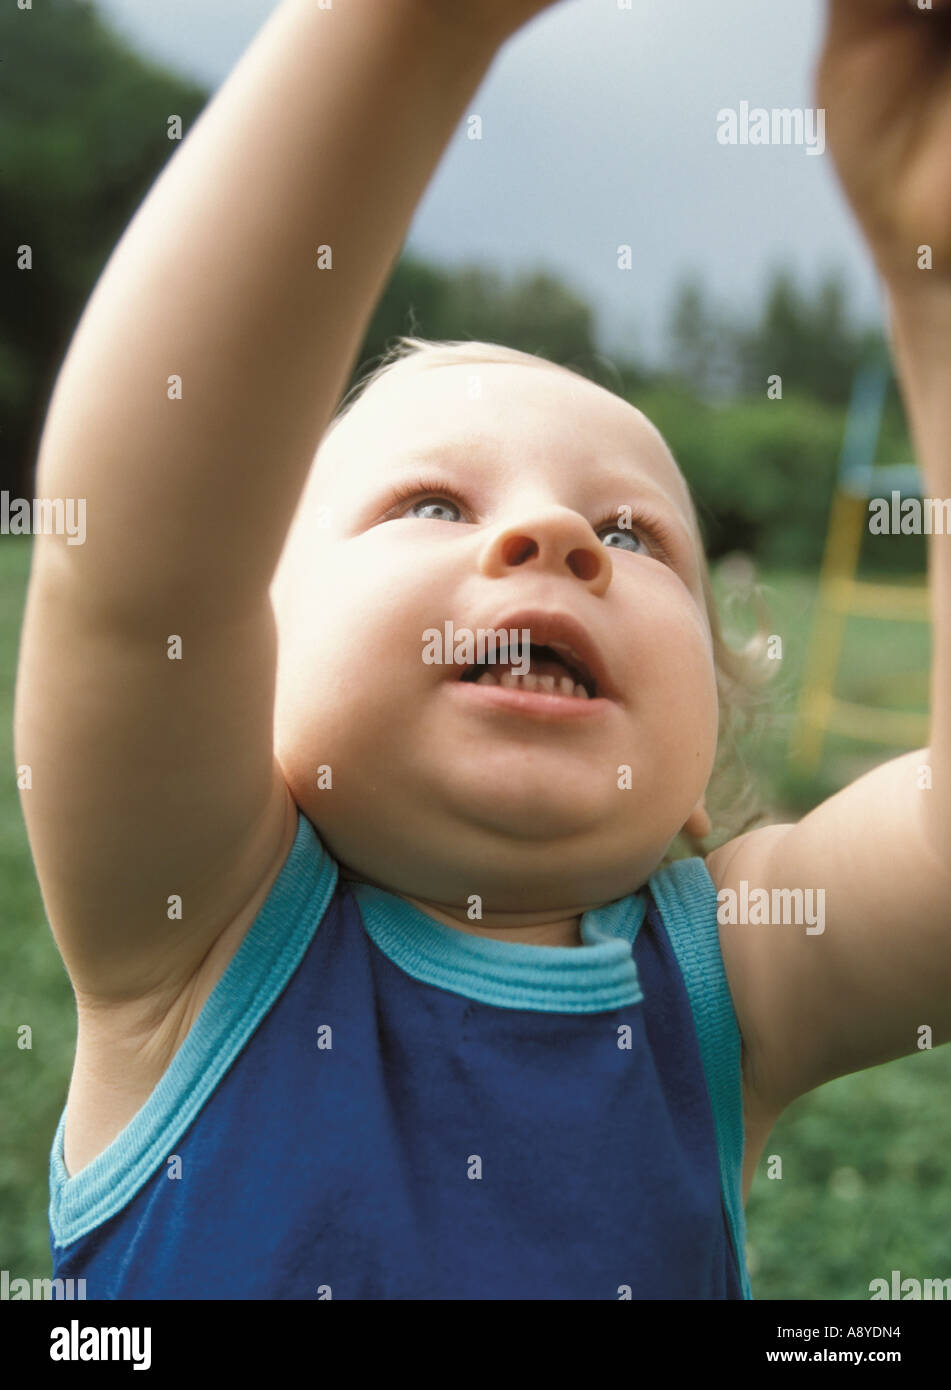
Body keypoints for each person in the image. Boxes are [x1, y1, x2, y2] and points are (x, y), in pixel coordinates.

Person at [14, 0, 951, 1298]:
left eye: (633, 535)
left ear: (696, 781)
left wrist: (937, 278)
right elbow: (136, 566)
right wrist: (404, 32)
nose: (558, 532)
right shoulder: (194, 935)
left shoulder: (730, 978)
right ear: (250, 665)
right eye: (434, 505)